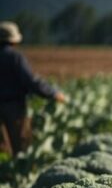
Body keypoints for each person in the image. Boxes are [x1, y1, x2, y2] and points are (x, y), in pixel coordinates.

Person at [0, 21, 66, 156]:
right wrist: (53, 93)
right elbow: (31, 81)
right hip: (14, 108)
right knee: (21, 148)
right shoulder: (15, 57)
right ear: (13, 40)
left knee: (2, 149)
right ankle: (16, 176)